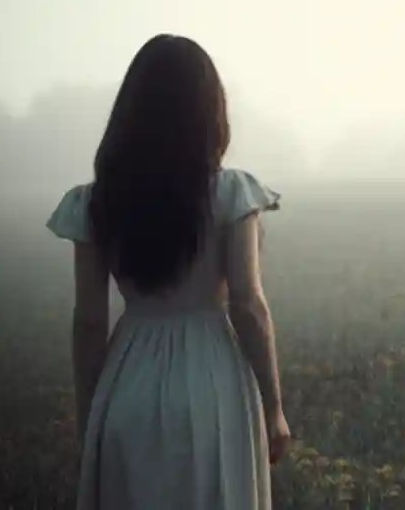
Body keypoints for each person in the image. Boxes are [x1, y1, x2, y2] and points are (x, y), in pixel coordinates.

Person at [45, 35, 290, 509]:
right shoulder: (232, 194)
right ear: (210, 110)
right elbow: (248, 306)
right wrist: (275, 408)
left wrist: (88, 416)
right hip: (212, 385)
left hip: (127, 380)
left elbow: (90, 320)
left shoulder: (96, 203)